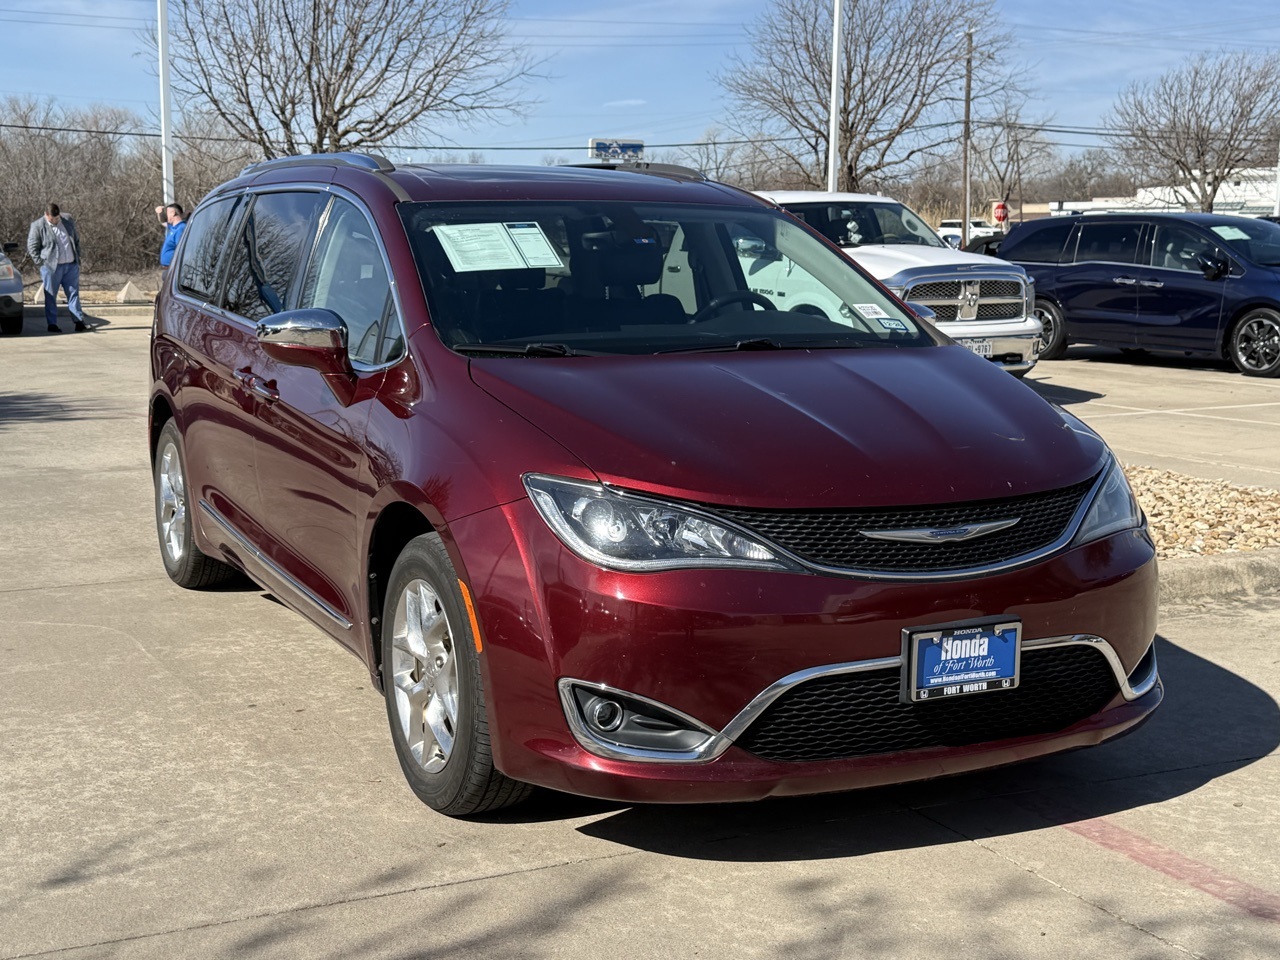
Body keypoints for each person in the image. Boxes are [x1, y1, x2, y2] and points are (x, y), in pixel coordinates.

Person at [27, 202, 86, 333]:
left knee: (73, 293)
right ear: (46, 215)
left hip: (71, 265)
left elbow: (76, 240)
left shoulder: (68, 220)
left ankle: (79, 321)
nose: (55, 221)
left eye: (57, 218)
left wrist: (78, 258)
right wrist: (42, 264)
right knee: (51, 295)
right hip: (51, 268)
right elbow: (32, 247)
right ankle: (52, 323)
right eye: (52, 219)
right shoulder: (37, 226)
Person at [156, 202, 187, 269]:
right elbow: (162, 222)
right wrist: (159, 213)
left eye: (167, 213)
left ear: (173, 213)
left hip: (175, 268)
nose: (166, 216)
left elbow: (181, 250)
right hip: (170, 268)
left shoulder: (181, 228)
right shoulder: (174, 228)